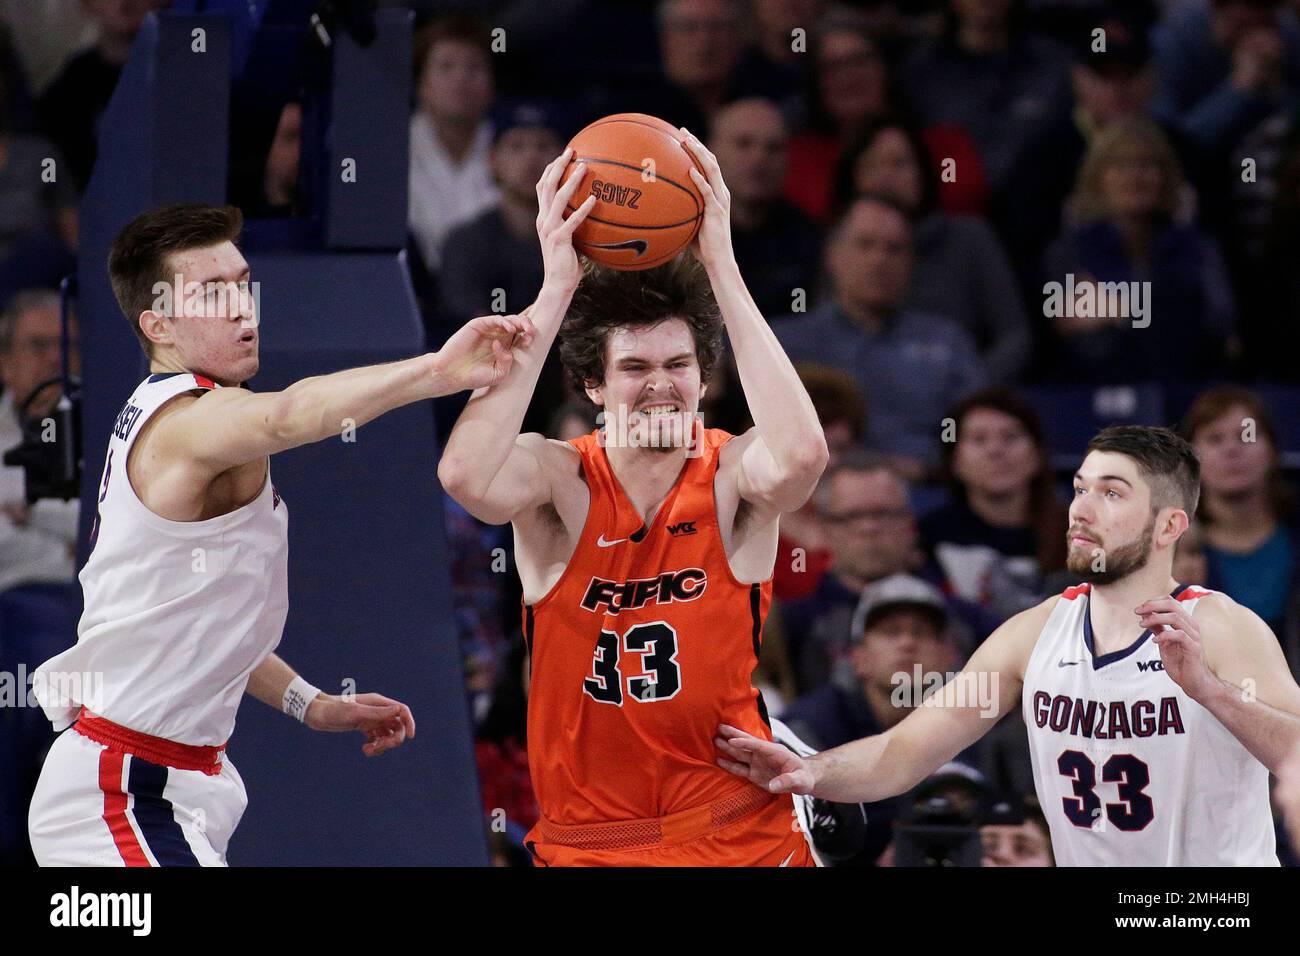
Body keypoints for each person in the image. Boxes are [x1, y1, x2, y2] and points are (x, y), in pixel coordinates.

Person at [26, 203, 528, 866]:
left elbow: (200, 624)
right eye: (210, 292)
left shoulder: (188, 417)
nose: (241, 306)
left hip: (174, 788)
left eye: (241, 283)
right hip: (120, 791)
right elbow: (293, 413)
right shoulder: (188, 423)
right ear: (158, 324)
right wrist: (439, 371)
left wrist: (309, 704)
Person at [438, 132, 829, 866]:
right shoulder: (557, 481)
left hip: (735, 826)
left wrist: (722, 264)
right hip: (593, 841)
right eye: (635, 366)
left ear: (704, 379)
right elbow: (463, 477)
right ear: (592, 386)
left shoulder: (732, 475)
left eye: (680, 363)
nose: (661, 382)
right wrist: (554, 291)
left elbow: (805, 456)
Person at [720, 425, 1296, 866]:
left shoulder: (1220, 626)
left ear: (1169, 527)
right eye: (1079, 489)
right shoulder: (1033, 633)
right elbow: (903, 752)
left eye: (1112, 494)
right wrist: (810, 772)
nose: (1082, 509)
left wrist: (1211, 692)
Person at [774, 193, 986, 480]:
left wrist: (928, 469)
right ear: (832, 255)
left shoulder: (948, 342)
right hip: (814, 496)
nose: (879, 259)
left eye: (894, 249)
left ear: (911, 262)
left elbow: (980, 433)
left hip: (930, 492)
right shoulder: (783, 342)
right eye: (865, 244)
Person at [779, 573, 966, 864]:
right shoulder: (807, 729)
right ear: (858, 658)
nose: (907, 643)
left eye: (921, 632)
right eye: (891, 632)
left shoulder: (978, 721)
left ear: (948, 655)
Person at [832, 118, 1030, 382]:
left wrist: (967, 392)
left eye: (899, 163)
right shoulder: (836, 241)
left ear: (923, 173)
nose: (886, 175)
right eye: (872, 165)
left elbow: (1015, 335)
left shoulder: (970, 237)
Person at [1043, 116, 1238, 383]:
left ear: (1167, 177)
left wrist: (1120, 311)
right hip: (1093, 395)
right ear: (1097, 177)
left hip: (1189, 389)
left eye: (1147, 165)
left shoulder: (1199, 247)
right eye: (1121, 165)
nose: (1135, 176)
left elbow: (1217, 326)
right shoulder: (1067, 252)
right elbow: (1079, 341)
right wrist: (1167, 311)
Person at [920, 388, 1069, 622]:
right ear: (955, 462)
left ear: (1037, 455)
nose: (995, 450)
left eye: (1010, 437)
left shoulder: (1077, 530)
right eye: (978, 439)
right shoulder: (928, 535)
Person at [1179, 386, 1300, 643]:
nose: (1232, 449)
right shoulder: (1170, 552)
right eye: (1214, 439)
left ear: (1273, 452)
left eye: (1246, 436)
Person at [708, 98, 824, 321]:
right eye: (744, 144)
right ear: (711, 150)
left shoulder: (807, 239)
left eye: (773, 148)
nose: (759, 157)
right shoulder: (681, 235)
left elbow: (807, 318)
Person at [0, 290, 79, 593]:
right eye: (38, 345)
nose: (55, 358)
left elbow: (111, 527)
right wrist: (69, 555)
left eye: (67, 345)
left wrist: (32, 516)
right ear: (6, 363)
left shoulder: (112, 437)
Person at [408, 15, 499, 276]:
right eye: (446, 67)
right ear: (421, 84)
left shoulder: (511, 147)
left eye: (474, 67)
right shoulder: (392, 151)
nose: (461, 79)